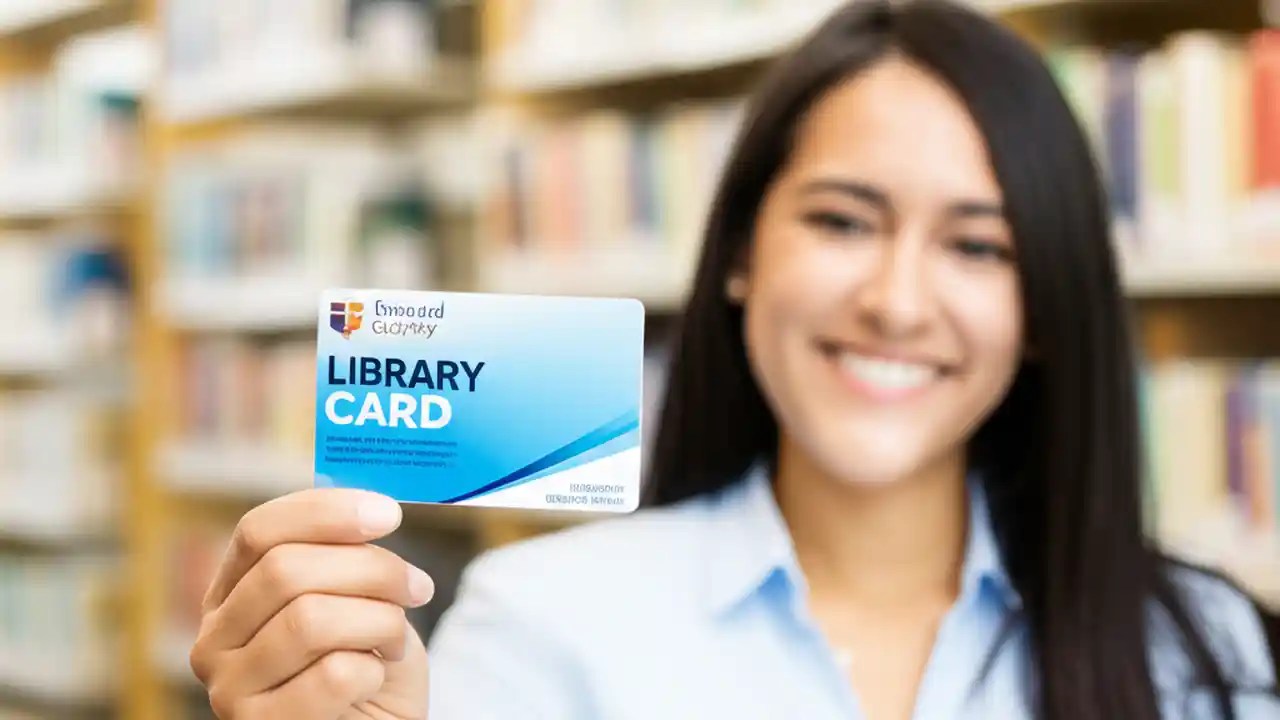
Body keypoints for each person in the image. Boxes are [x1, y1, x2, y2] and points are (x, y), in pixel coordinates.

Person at [187, 1, 1279, 718]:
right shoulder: (539, 621)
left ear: (1042, 305)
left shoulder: (1198, 646)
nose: (895, 300)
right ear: (740, 255)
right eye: (843, 222)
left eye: (976, 245)